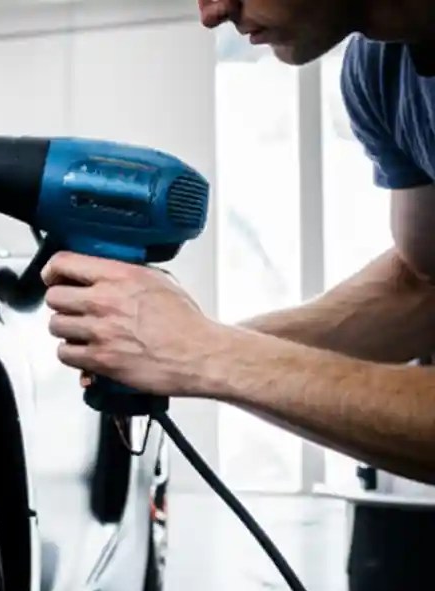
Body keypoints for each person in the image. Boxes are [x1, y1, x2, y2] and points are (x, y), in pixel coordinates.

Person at [41, 0, 435, 482]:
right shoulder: (381, 69)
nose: (212, 13)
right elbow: (423, 283)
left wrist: (206, 353)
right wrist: (173, 340)